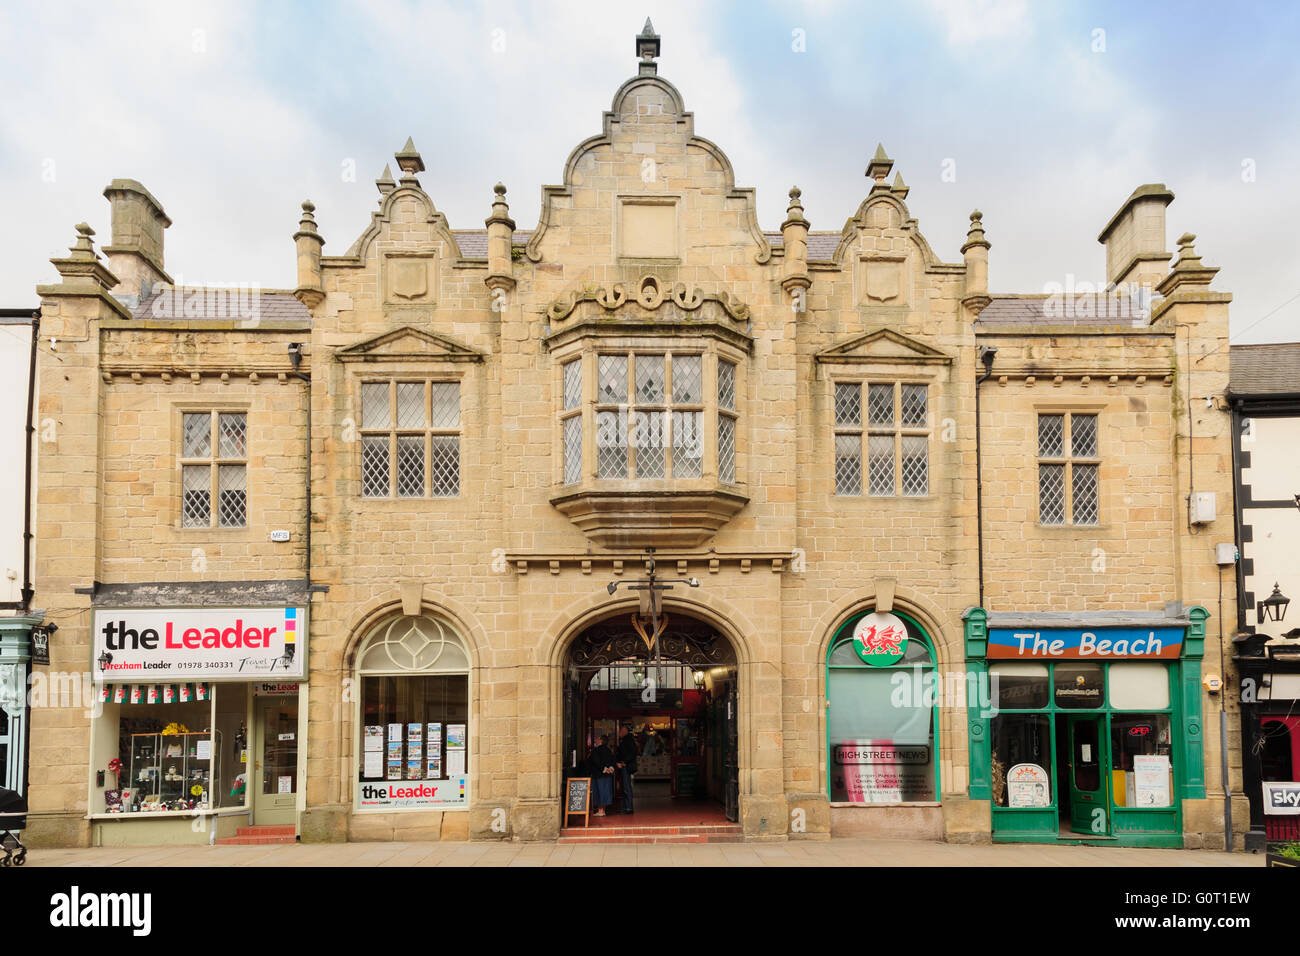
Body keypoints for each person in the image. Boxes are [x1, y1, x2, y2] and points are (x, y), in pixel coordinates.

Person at [589, 734, 617, 816]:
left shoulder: (596, 750)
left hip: (599, 775)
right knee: (605, 792)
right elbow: (613, 760)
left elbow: (595, 761)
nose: (596, 740)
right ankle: (603, 810)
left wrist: (604, 769)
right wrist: (610, 768)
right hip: (607, 775)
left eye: (597, 739)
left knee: (599, 792)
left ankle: (600, 811)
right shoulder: (609, 750)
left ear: (601, 741)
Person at [616, 722, 639, 814]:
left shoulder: (628, 740)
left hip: (626, 766)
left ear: (625, 731)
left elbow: (633, 752)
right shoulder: (626, 740)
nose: (619, 733)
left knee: (626, 787)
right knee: (625, 787)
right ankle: (626, 807)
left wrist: (624, 762)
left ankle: (628, 808)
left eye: (621, 731)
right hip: (625, 765)